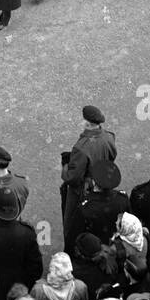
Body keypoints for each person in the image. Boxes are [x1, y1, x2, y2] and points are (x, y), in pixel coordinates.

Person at [60, 104, 118, 254]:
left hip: (85, 189)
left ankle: (74, 251)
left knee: (73, 222)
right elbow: (112, 156)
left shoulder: (82, 147)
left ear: (87, 123)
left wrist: (66, 165)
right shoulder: (109, 136)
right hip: (104, 181)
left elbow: (72, 178)